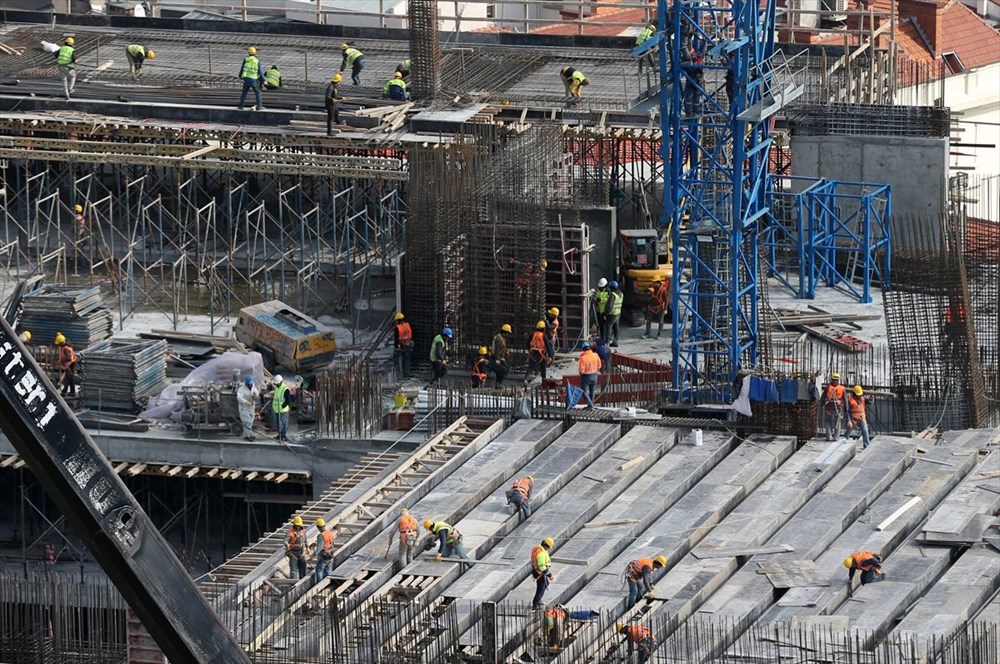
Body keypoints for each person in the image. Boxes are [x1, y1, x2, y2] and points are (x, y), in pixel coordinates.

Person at [680, 40, 704, 117]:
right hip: (693, 80)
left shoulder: (697, 59)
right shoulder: (694, 59)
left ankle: (693, 112)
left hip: (695, 80)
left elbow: (703, 52)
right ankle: (691, 112)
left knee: (693, 97)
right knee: (691, 97)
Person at [821, 372, 848, 441]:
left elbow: (823, 397)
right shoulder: (842, 388)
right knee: (838, 422)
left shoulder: (828, 387)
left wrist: (821, 405)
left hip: (829, 408)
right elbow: (845, 399)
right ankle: (836, 437)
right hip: (838, 408)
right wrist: (846, 409)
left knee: (827, 421)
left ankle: (829, 436)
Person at [531, 537, 555, 609]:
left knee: (545, 584)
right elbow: (542, 567)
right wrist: (550, 575)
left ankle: (538, 601)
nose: (548, 548)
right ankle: (536, 603)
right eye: (548, 547)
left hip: (537, 571)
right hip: (540, 572)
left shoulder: (539, 549)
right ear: (546, 545)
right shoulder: (540, 553)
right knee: (541, 588)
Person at [238, 46, 265, 111]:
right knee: (258, 92)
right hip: (253, 80)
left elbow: (242, 69)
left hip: (246, 79)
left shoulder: (246, 60)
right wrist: (263, 80)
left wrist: (240, 76)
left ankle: (241, 106)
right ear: (255, 53)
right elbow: (260, 72)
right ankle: (259, 106)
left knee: (244, 93)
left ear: (248, 53)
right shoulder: (257, 61)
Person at [524, 321, 550, 385]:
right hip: (541, 354)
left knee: (530, 367)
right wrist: (550, 356)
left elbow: (527, 343)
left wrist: (530, 350)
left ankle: (526, 379)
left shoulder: (532, 334)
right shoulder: (544, 336)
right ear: (543, 329)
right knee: (543, 367)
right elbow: (548, 346)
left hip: (533, 353)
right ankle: (544, 381)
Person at [578, 341, 602, 408]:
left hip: (586, 376)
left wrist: (581, 373)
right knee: (592, 391)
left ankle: (590, 405)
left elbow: (582, 371)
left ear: (583, 349)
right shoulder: (595, 355)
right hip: (594, 375)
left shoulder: (582, 358)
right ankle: (591, 405)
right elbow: (599, 366)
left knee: (584, 391)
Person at [312, 518, 336, 582]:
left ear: (318, 527)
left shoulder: (321, 536)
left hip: (324, 556)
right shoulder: (330, 533)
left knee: (319, 569)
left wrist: (313, 556)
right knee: (328, 569)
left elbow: (319, 548)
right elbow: (331, 543)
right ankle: (328, 583)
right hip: (331, 554)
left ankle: (319, 584)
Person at [236, 375, 259, 441]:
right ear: (246, 383)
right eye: (249, 384)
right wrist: (245, 402)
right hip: (244, 408)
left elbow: (256, 392)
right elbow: (239, 397)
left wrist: (255, 395)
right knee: (247, 421)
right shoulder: (241, 389)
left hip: (251, 407)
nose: (251, 385)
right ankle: (249, 435)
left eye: (251, 384)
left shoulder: (252, 385)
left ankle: (246, 435)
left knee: (250, 421)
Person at [393, 312, 414, 379]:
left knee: (397, 359)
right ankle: (407, 374)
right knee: (407, 360)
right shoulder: (408, 325)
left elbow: (396, 339)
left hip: (401, 345)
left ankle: (398, 374)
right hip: (408, 344)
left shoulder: (398, 328)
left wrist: (396, 347)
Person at [272, 374, 291, 441]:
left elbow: (288, 400)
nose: (276, 384)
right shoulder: (277, 388)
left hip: (283, 410)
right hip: (277, 410)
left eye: (277, 383)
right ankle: (280, 435)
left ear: (281, 382)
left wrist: (282, 406)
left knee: (282, 423)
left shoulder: (285, 389)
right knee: (279, 423)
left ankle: (283, 436)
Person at [607, 281, 624, 347]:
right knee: (616, 327)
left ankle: (607, 341)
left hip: (612, 314)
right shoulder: (621, 294)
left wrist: (606, 313)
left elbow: (609, 306)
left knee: (608, 326)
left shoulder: (613, 295)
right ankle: (615, 341)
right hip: (618, 313)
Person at [593, 277, 610, 342]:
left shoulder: (608, 292)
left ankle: (607, 338)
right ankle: (602, 338)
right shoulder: (598, 290)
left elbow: (607, 300)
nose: (601, 288)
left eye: (602, 287)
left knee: (605, 326)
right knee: (601, 325)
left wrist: (599, 300)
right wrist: (595, 298)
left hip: (605, 312)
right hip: (599, 311)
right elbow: (596, 296)